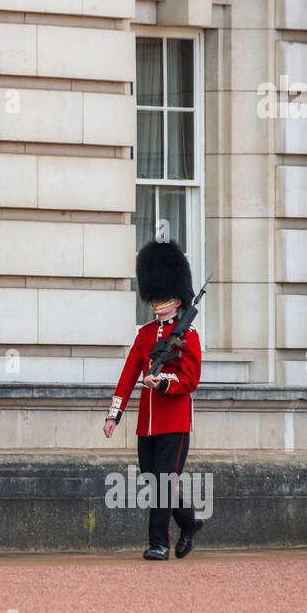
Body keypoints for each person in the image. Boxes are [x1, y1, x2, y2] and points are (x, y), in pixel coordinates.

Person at [103, 239, 204, 560]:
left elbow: (190, 380)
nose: (157, 303)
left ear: (176, 300)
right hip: (147, 423)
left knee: (164, 481)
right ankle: (188, 522)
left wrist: (162, 383)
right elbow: (128, 373)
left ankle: (159, 543)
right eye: (154, 297)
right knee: (152, 480)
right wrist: (113, 414)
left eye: (163, 298)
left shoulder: (189, 336)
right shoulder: (145, 334)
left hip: (174, 421)